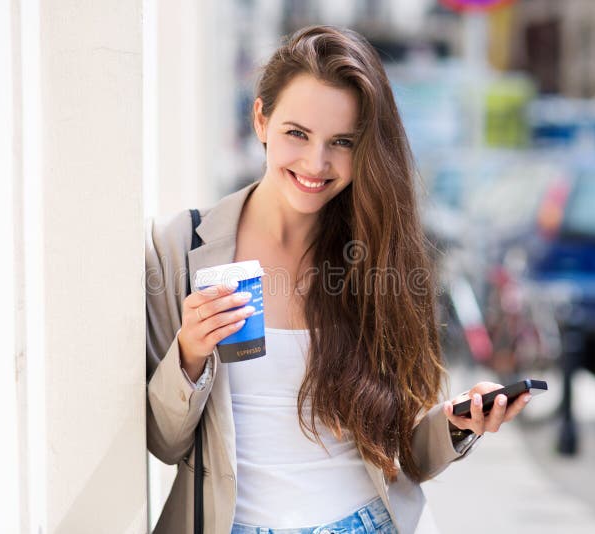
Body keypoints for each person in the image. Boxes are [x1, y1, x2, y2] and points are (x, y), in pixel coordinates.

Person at [145, 25, 531, 534]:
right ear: (262, 119)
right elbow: (164, 441)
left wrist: (454, 424)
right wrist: (190, 355)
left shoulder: (378, 256)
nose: (316, 162)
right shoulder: (181, 247)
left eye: (341, 142)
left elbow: (403, 452)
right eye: (297, 134)